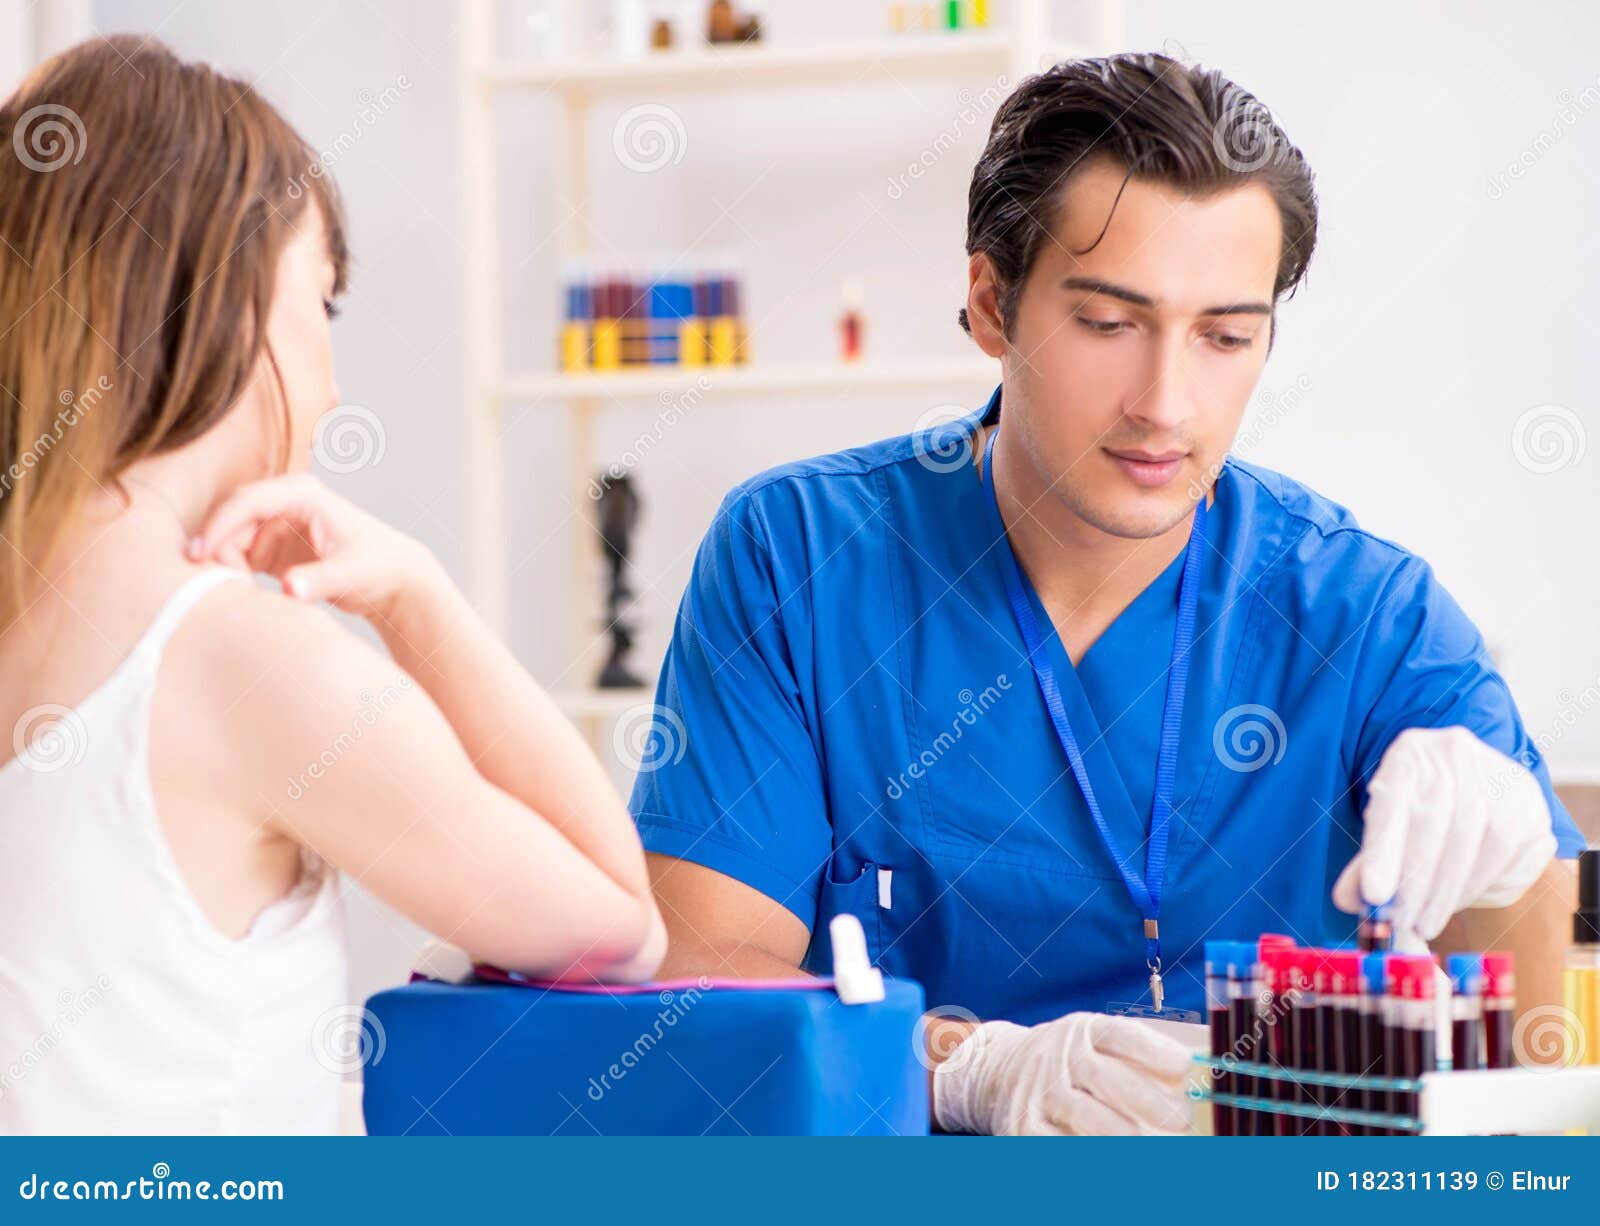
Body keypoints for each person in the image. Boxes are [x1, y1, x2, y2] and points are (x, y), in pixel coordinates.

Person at [629, 53, 1583, 1135]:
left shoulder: (1365, 617)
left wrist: (1505, 868)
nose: (1165, 402)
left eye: (1225, 336)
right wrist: (955, 1063)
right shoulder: (799, 556)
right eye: (1107, 323)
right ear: (992, 303)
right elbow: (696, 965)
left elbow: (1523, 1094)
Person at [0, 36, 664, 1135]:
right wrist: (417, 600)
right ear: (232, 300)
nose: (332, 371)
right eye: (323, 305)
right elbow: (619, 927)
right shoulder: (239, 660)